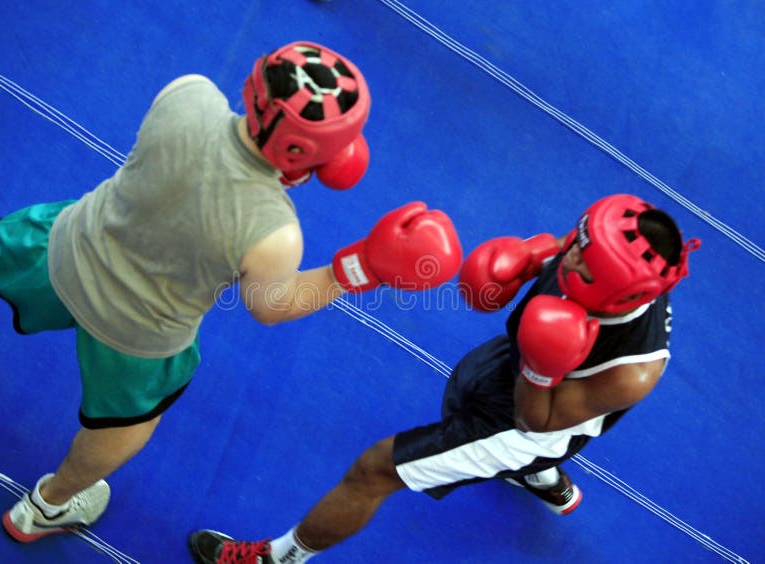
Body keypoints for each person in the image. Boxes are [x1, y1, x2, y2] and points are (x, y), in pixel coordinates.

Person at [0, 41, 463, 542]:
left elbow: (204, 180)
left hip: (67, 245)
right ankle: (47, 508)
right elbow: (272, 307)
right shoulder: (275, 233)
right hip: (140, 336)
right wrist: (359, 270)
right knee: (124, 424)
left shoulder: (189, 93)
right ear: (315, 156)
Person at [188, 193, 701, 563]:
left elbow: (535, 419)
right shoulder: (606, 243)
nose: (570, 256)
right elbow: (553, 252)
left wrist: (544, 363)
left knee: (374, 470)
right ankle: (540, 478)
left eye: (582, 267)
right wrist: (522, 260)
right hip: (526, 365)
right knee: (463, 388)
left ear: (616, 296)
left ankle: (280, 558)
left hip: (529, 422)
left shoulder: (633, 371)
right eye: (576, 245)